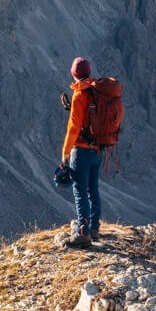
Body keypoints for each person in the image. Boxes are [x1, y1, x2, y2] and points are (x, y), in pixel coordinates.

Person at [61, 56, 102, 247]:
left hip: (82, 150)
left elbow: (74, 127)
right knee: (93, 188)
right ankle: (94, 228)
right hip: (98, 149)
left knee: (79, 190)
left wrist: (65, 152)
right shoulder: (97, 91)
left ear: (74, 73)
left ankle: (83, 233)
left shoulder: (79, 95)